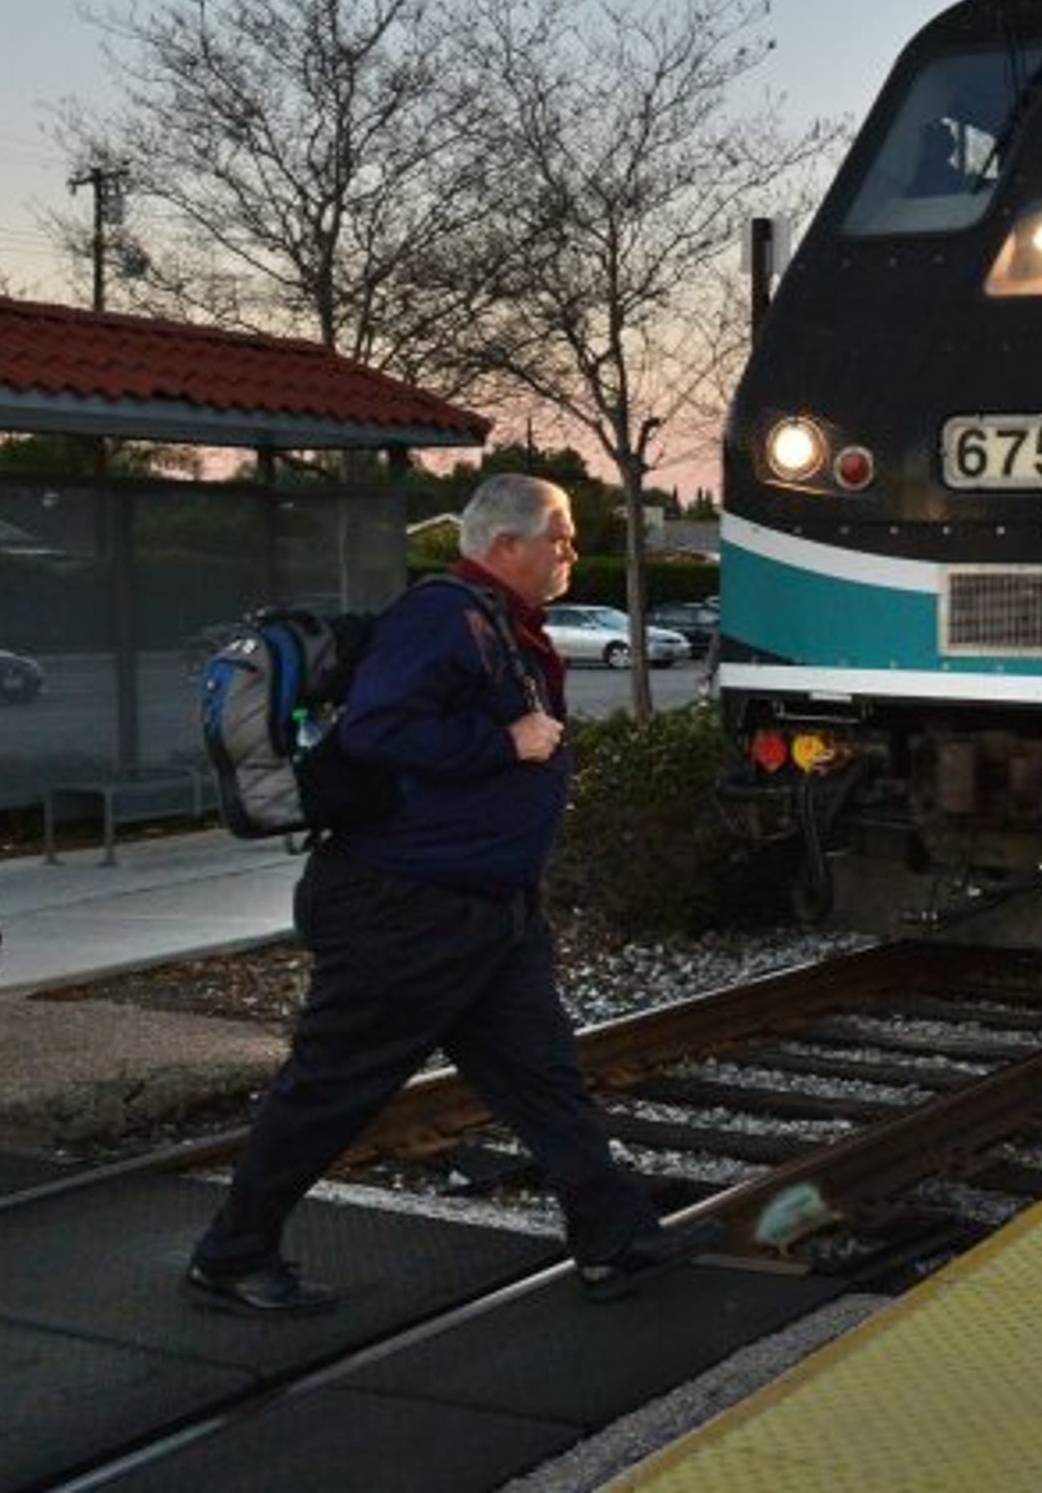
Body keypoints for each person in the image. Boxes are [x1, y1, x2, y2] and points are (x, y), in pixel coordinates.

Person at [184, 475, 716, 1316]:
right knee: (333, 1087)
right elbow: (379, 730)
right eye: (562, 537)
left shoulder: (499, 625)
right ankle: (231, 1256)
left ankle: (617, 1240)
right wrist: (505, 738)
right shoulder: (445, 615)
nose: (571, 553)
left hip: (484, 910)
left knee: (542, 1078)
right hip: (406, 907)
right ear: (507, 545)